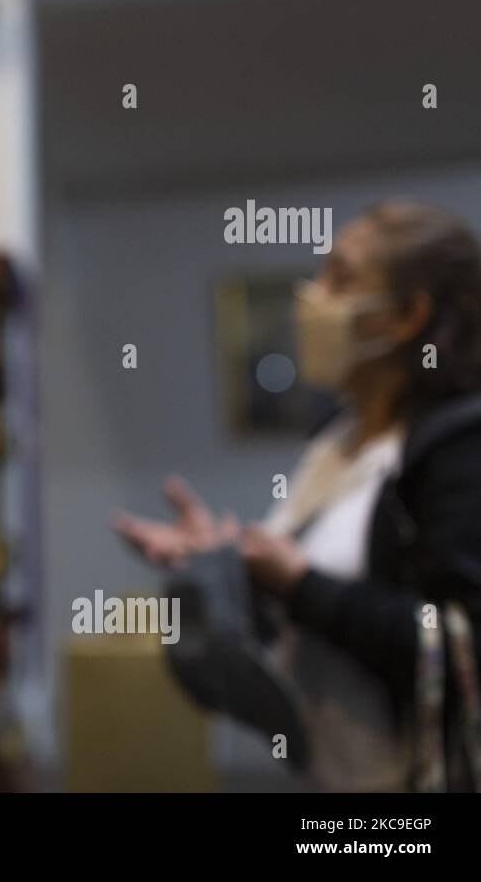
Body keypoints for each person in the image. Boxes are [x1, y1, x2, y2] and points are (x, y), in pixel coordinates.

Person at [113, 200, 481, 791]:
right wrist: (223, 563)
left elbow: (458, 649)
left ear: (408, 315)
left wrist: (297, 583)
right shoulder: (336, 442)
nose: (313, 297)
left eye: (341, 276)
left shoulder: (459, 445)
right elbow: (298, 620)